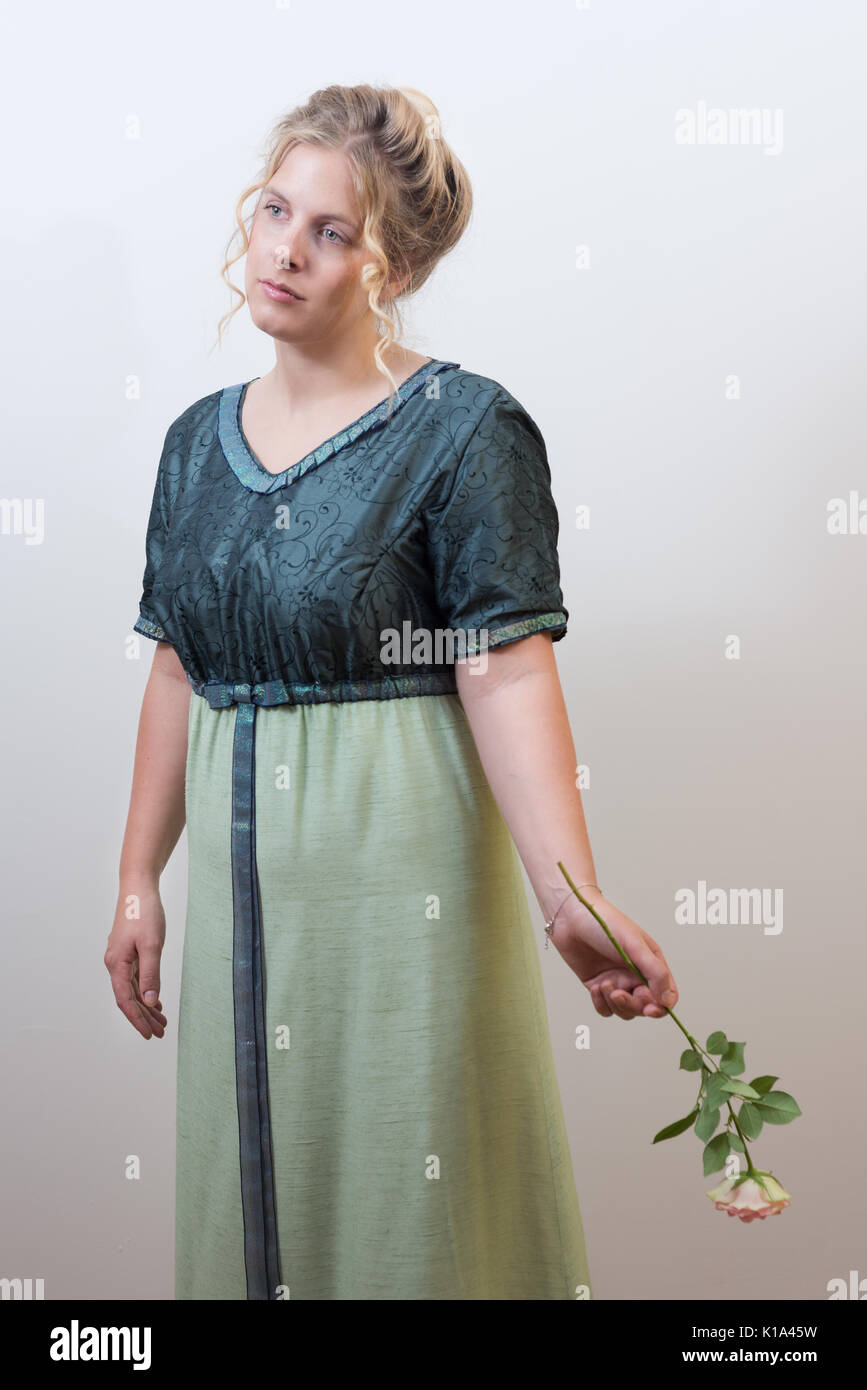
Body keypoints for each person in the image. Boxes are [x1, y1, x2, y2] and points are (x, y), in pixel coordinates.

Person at [105, 82, 679, 1302]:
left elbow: (506, 663)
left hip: (396, 887)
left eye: (332, 231)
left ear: (392, 261)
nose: (287, 250)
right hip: (238, 911)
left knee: (408, 1213)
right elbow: (175, 665)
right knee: (246, 1201)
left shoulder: (465, 430)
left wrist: (567, 892)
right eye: (275, 211)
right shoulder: (191, 443)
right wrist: (137, 878)